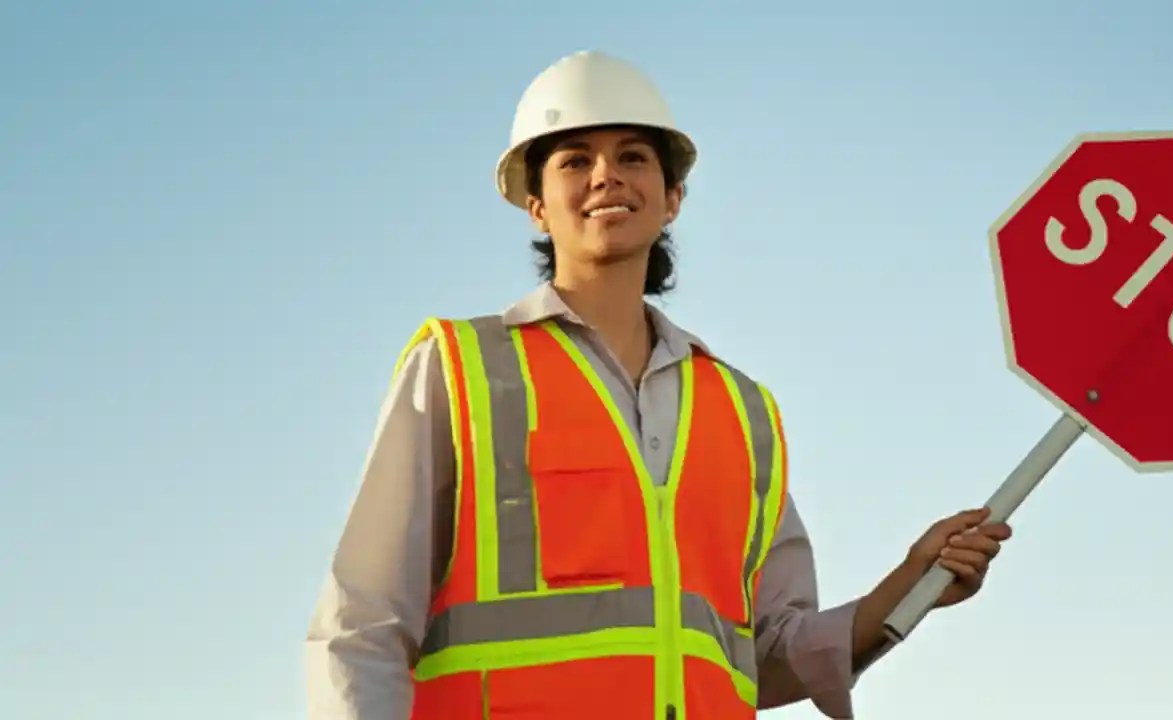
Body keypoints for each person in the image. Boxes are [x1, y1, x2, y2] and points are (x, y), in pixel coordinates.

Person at [304, 50, 1013, 720]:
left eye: (633, 157)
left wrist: (909, 588)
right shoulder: (461, 369)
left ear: (672, 197)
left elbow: (762, 653)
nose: (607, 176)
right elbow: (361, 625)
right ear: (537, 207)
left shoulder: (742, 413)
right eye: (576, 160)